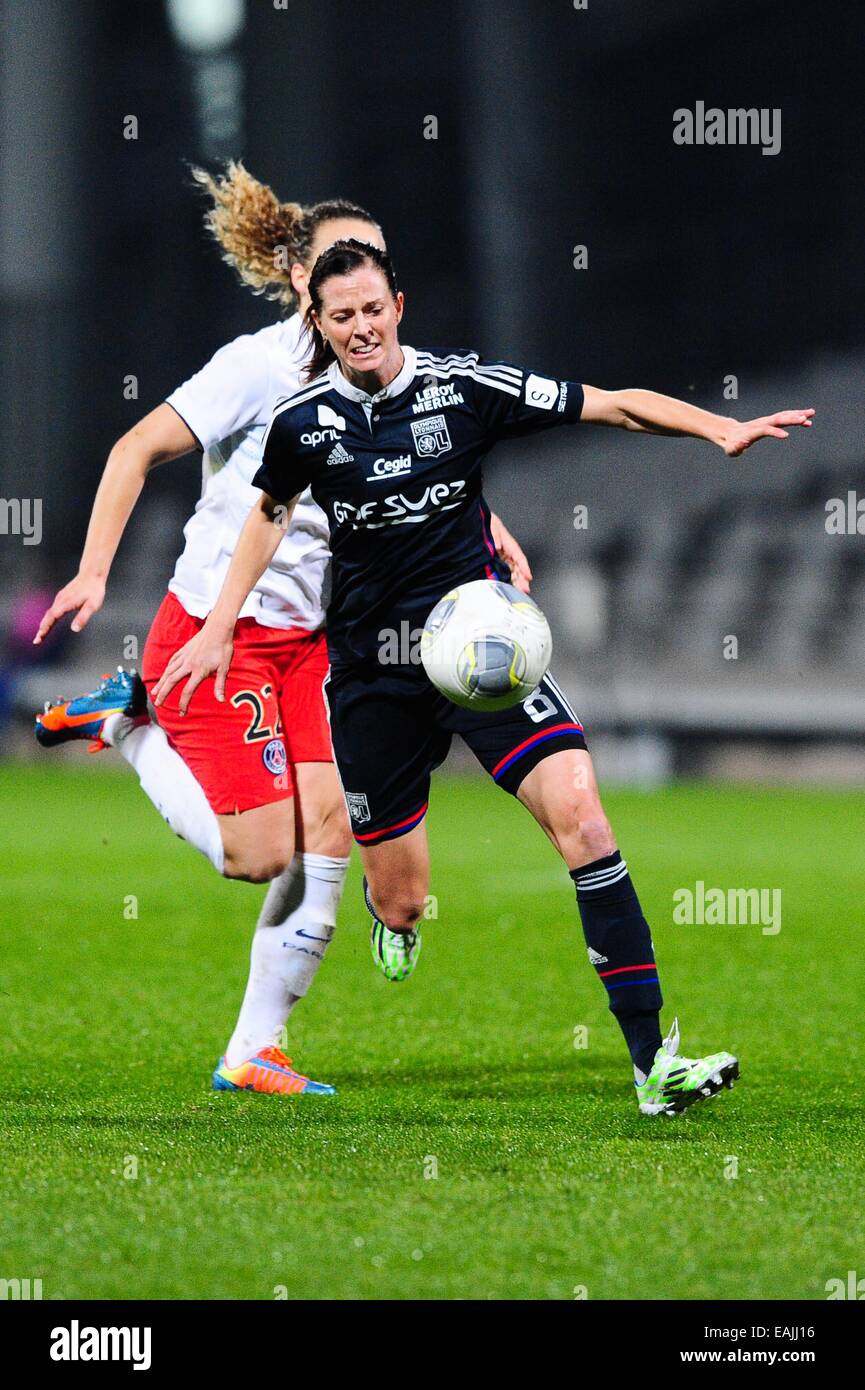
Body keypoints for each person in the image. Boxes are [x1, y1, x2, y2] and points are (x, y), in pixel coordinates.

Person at [154, 238, 815, 1115]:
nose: (360, 328)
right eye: (340, 315)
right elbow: (268, 516)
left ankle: (654, 1063)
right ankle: (394, 922)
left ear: (399, 306)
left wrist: (715, 427)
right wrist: (221, 624)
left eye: (372, 309)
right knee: (400, 898)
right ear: (317, 322)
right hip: (371, 674)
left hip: (481, 654)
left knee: (583, 817)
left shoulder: (463, 389)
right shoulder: (301, 423)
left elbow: (610, 406)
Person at [32, 168, 531, 1098]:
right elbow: (132, 448)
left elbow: (414, 457)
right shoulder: (257, 367)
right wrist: (95, 570)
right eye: (343, 264)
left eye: (374, 264)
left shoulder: (379, 362)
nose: (360, 283)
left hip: (313, 640)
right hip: (222, 628)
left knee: (329, 831)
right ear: (303, 275)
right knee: (257, 855)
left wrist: (483, 519)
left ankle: (255, 1049)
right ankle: (124, 725)